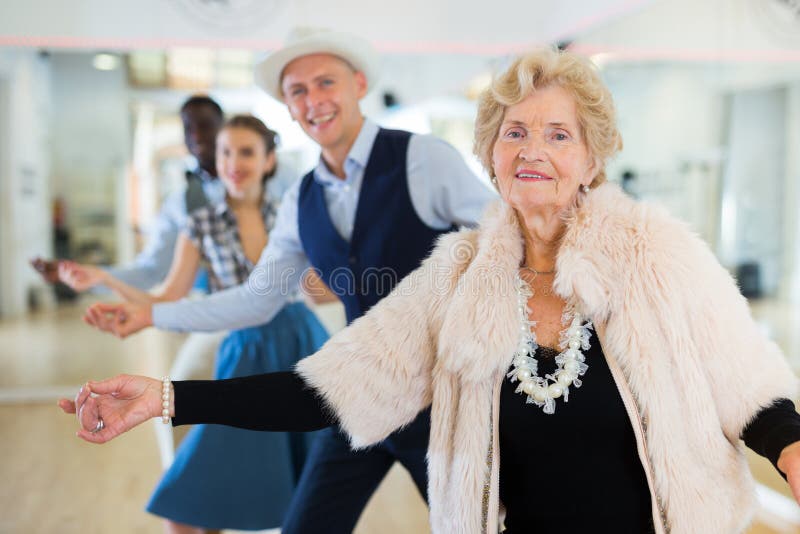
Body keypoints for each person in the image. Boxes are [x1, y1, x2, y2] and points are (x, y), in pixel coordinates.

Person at [62, 47, 800, 534]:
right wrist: (167, 398)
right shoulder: (457, 276)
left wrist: (793, 453)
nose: (531, 150)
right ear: (490, 154)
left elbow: (749, 384)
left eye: (556, 134)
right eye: (514, 134)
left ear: (592, 158)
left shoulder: (658, 254)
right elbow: (333, 384)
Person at [77, 28, 495, 534]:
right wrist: (151, 313)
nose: (313, 100)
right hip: (359, 391)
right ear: (288, 107)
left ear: (358, 84)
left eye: (325, 83)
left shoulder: (423, 160)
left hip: (443, 402)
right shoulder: (301, 201)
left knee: (477, 526)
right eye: (297, 91)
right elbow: (257, 300)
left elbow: (507, 241)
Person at [67, 115, 329, 534]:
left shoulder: (293, 214)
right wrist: (106, 281)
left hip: (302, 342)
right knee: (197, 489)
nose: (233, 162)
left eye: (246, 152)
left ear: (269, 160)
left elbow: (320, 289)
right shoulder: (201, 224)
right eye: (226, 152)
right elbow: (167, 295)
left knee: (314, 485)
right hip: (243, 350)